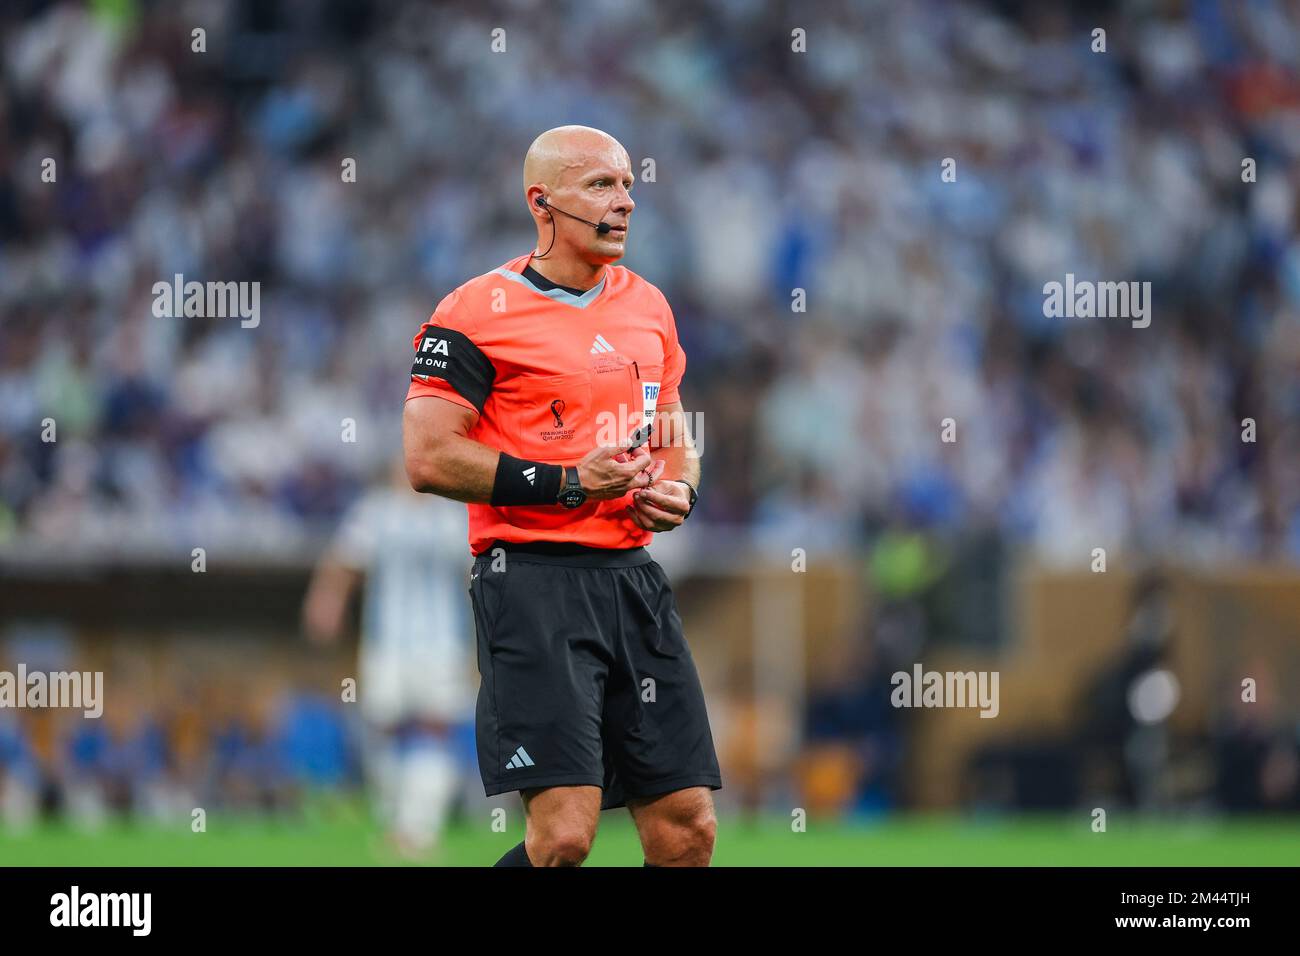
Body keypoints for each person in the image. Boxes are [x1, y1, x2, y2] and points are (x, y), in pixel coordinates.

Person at [402, 125, 720, 866]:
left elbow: (675, 428)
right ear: (542, 203)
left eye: (630, 185)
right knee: (565, 837)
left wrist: (680, 490)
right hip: (532, 579)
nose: (626, 203)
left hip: (633, 579)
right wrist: (569, 482)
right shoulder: (474, 311)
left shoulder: (649, 305)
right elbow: (428, 455)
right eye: (601, 186)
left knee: (688, 828)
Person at [302, 456, 476, 857]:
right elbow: (343, 562)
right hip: (387, 643)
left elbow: (475, 570)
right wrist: (326, 603)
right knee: (382, 727)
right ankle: (396, 817)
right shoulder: (375, 511)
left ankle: (419, 828)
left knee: (435, 728)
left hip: (443, 643)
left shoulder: (453, 515)